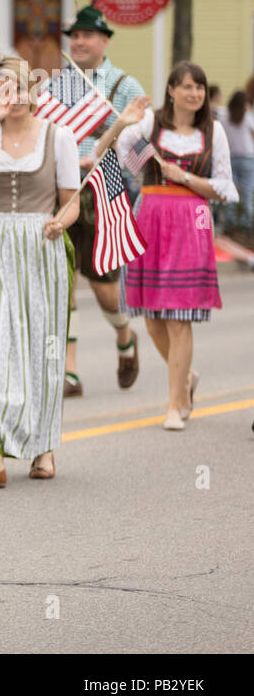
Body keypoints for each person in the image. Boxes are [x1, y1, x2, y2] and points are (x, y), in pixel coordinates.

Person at [0, 55, 79, 487]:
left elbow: (71, 198)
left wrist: (62, 220)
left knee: (38, 347)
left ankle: (42, 445)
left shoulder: (58, 137)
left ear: (34, 91)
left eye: (22, 87)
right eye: (6, 89)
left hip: (40, 244)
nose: (16, 96)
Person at [101, 62, 238, 430]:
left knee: (179, 314)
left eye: (200, 88)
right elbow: (122, 152)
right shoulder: (151, 125)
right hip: (150, 214)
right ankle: (186, 377)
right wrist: (129, 131)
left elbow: (225, 188)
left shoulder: (214, 132)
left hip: (192, 219)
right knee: (152, 314)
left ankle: (175, 403)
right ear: (172, 90)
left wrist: (187, 178)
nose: (195, 94)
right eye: (188, 87)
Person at [61, 5, 145, 398]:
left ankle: (124, 336)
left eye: (87, 35)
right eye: (74, 36)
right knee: (62, 281)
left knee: (103, 286)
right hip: (61, 186)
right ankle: (70, 372)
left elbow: (142, 148)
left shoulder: (126, 86)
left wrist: (107, 151)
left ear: (104, 40)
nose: (78, 42)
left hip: (105, 186)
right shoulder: (55, 86)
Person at [218, 88, 254, 232]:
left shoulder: (225, 117)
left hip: (231, 158)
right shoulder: (248, 117)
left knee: (231, 193)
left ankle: (230, 224)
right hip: (248, 159)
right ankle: (247, 226)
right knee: (247, 193)